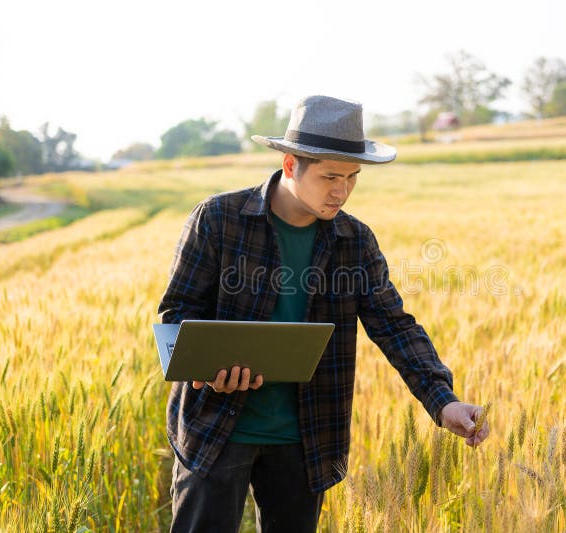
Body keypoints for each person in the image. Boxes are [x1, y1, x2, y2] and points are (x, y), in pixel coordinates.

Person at [158, 94, 490, 532]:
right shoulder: (219, 219)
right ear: (291, 165)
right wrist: (205, 366)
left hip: (306, 435)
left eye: (353, 177)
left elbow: (393, 325)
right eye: (331, 176)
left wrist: (442, 400)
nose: (342, 190)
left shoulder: (354, 240)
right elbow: (176, 312)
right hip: (216, 427)